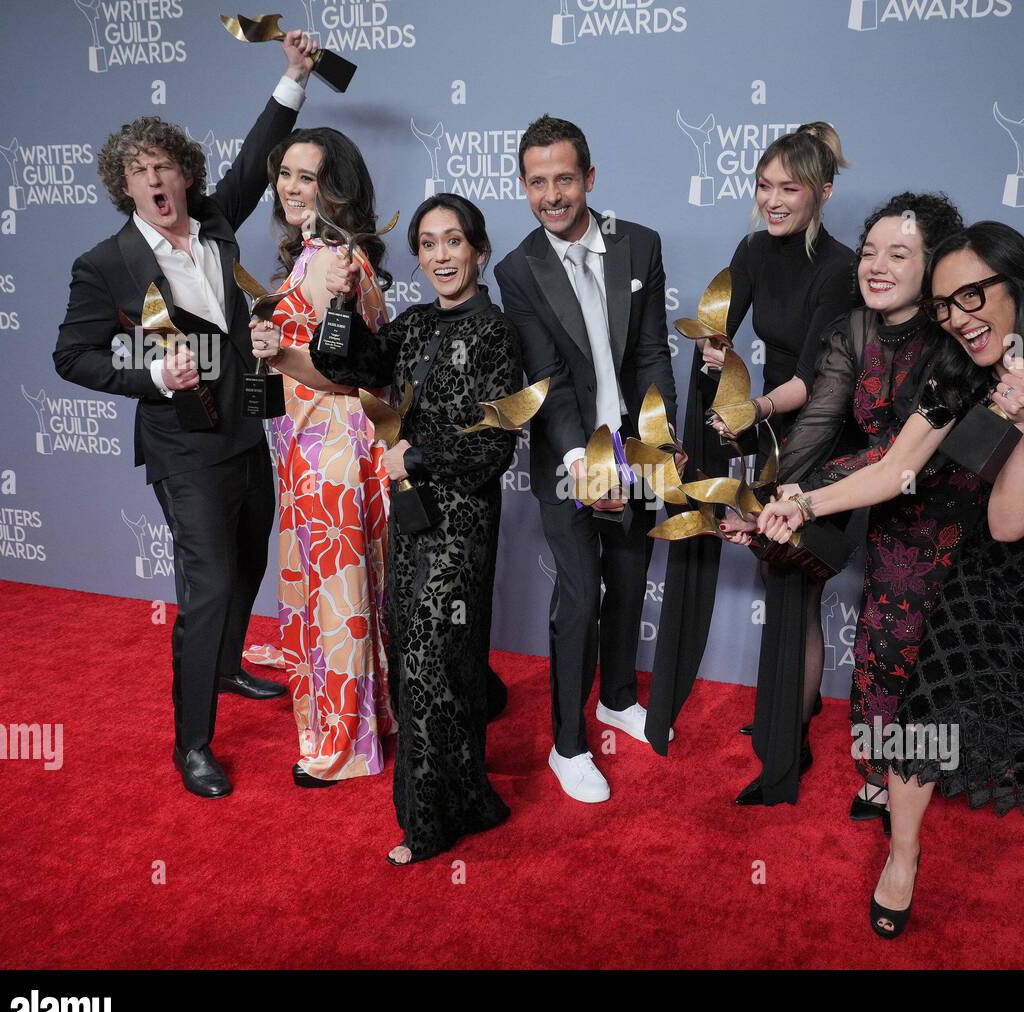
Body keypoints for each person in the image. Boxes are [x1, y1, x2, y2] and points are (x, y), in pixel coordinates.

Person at [759, 221, 1024, 937]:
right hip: (976, 578)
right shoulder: (955, 367)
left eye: (972, 295)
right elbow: (894, 469)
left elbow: (1013, 519)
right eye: (945, 304)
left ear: (1020, 286)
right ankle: (903, 858)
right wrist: (804, 500)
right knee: (920, 727)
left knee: (1015, 759)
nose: (959, 317)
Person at [53, 32, 318, 799]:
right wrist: (149, 372)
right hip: (183, 446)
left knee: (250, 560)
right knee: (205, 586)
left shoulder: (216, 219)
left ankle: (231, 665)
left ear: (184, 173)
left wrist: (293, 78)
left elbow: (256, 157)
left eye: (164, 166)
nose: (155, 180)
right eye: (139, 173)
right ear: (124, 188)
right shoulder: (104, 265)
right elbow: (73, 356)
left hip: (246, 428)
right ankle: (193, 744)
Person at [725, 193, 972, 809]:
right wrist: (771, 497)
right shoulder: (853, 330)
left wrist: (798, 501)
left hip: (961, 516)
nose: (877, 266)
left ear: (934, 266)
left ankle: (926, 782)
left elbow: (905, 457)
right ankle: (879, 771)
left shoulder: (956, 342)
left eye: (899, 254)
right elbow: (818, 424)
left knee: (943, 650)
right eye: (868, 253)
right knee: (881, 645)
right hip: (889, 508)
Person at [310, 193, 517, 863]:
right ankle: (473, 801)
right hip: (413, 519)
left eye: (453, 241)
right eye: (427, 243)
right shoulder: (415, 325)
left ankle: (428, 826)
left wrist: (418, 454)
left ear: (479, 251)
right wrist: (340, 303)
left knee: (433, 662)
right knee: (419, 664)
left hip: (462, 521)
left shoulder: (497, 332)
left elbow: (495, 445)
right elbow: (347, 365)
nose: (440, 255)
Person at [647, 122, 857, 754]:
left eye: (789, 188)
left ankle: (788, 728)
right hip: (770, 425)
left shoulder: (843, 269)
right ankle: (796, 701)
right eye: (764, 185)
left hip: (824, 432)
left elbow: (816, 382)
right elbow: (720, 329)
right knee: (778, 572)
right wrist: (717, 355)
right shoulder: (754, 250)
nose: (773, 200)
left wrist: (748, 407)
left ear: (821, 192)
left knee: (801, 580)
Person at [495, 115, 678, 803]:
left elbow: (654, 350)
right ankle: (567, 744)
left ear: (590, 179)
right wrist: (583, 463)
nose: (552, 195)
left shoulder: (642, 245)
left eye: (564, 178)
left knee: (630, 580)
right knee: (580, 597)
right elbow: (547, 380)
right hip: (567, 454)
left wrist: (655, 439)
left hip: (635, 448)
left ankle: (619, 698)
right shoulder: (519, 270)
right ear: (524, 186)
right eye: (538, 182)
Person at [242, 127, 396, 788]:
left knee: (341, 606)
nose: (290, 187)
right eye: (286, 175)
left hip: (335, 448)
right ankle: (368, 717)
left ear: (337, 188)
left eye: (307, 176)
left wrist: (278, 353)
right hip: (305, 450)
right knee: (329, 600)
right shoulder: (315, 254)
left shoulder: (338, 258)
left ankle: (347, 745)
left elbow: (349, 375)